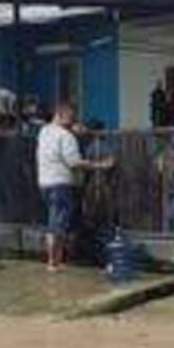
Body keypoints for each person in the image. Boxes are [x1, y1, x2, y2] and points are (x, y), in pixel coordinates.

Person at [37, 102, 114, 271]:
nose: (73, 121)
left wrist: (75, 130)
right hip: (61, 184)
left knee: (57, 221)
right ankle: (52, 262)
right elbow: (74, 163)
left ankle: (58, 259)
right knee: (57, 224)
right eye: (71, 118)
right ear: (61, 116)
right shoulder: (66, 137)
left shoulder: (44, 132)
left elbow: (59, 136)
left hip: (44, 183)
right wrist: (101, 165)